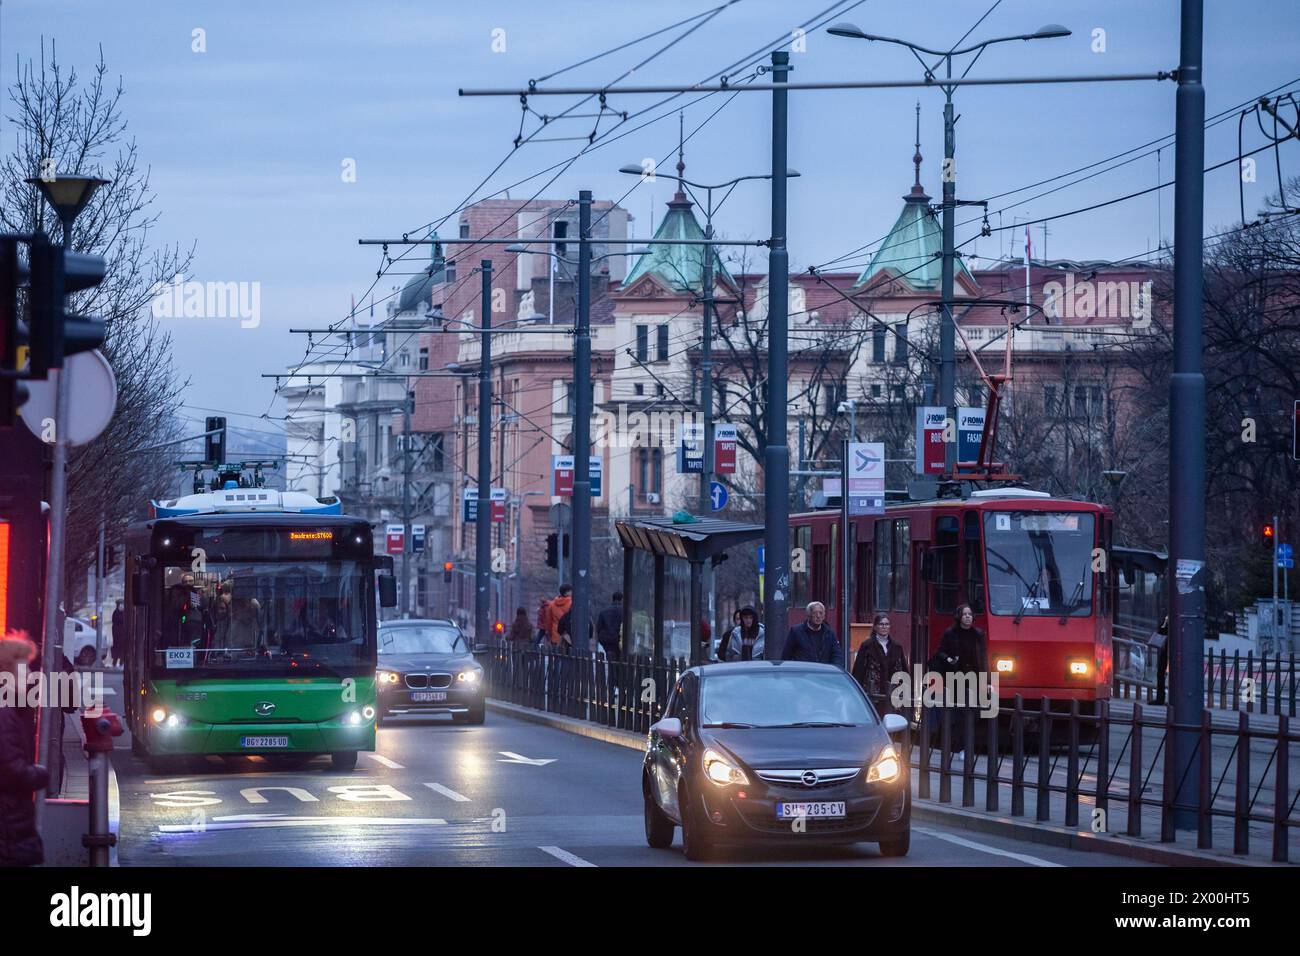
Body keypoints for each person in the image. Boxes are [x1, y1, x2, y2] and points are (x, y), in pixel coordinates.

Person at [0, 631, 50, 867]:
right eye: (25, 669)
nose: (29, 675)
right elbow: (11, 769)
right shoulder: (3, 714)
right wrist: (39, 774)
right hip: (8, 831)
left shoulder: (10, 709)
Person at [931, 604, 988, 764]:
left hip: (974, 679)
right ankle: (962, 748)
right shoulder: (950, 634)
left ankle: (966, 746)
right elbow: (940, 652)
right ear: (959, 617)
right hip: (955, 679)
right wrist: (949, 659)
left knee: (974, 714)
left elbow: (983, 660)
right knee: (959, 714)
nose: (968, 617)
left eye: (970, 614)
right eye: (965, 614)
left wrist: (987, 681)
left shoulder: (978, 635)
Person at [851, 613, 909, 715]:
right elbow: (859, 670)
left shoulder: (897, 646)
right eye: (881, 624)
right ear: (875, 627)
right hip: (873, 693)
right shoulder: (867, 646)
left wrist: (906, 691)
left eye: (887, 624)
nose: (884, 627)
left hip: (893, 693)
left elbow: (904, 670)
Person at [595, 592, 623, 661]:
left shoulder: (603, 612)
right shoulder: (626, 611)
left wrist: (602, 641)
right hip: (621, 641)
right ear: (622, 599)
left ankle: (612, 671)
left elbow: (599, 628)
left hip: (608, 642)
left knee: (611, 662)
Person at [1151, 615, 1170, 705]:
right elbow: (1161, 631)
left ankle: (1162, 698)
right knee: (1160, 674)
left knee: (1162, 674)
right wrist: (1165, 622)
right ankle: (1160, 698)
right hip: (1166, 651)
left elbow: (1162, 631)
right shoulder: (1167, 620)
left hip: (1171, 651)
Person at [110, 600, 125, 669]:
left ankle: (121, 663)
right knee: (117, 649)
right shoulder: (116, 613)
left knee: (122, 649)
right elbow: (115, 622)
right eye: (121, 604)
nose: (122, 606)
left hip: (122, 635)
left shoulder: (124, 613)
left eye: (122, 604)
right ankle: (114, 663)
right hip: (117, 635)